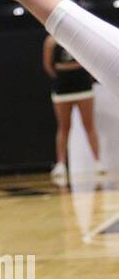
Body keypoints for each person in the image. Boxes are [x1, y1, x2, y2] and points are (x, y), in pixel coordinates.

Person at [43, 33, 103, 185]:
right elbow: (48, 65)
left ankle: (98, 163)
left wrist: (73, 68)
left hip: (83, 86)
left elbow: (90, 61)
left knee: (89, 125)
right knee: (64, 127)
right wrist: (66, 70)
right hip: (62, 88)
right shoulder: (51, 41)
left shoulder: (80, 37)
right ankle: (61, 164)